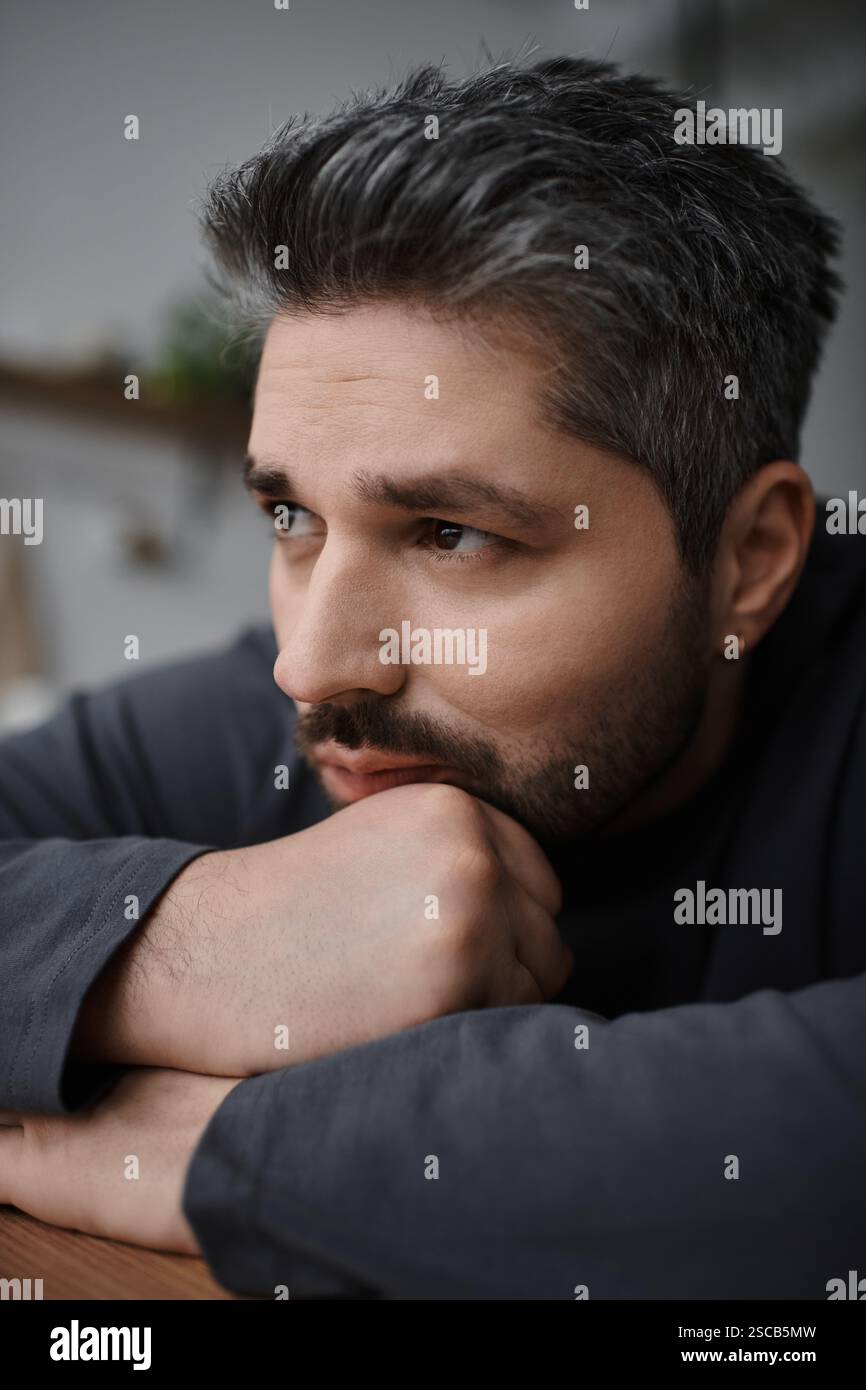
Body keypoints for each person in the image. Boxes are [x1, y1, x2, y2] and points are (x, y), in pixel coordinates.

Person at [1, 57, 864, 1300]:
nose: (311, 665)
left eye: (451, 535)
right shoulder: (285, 708)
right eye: (289, 517)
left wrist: (239, 1154)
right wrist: (189, 944)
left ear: (748, 562)